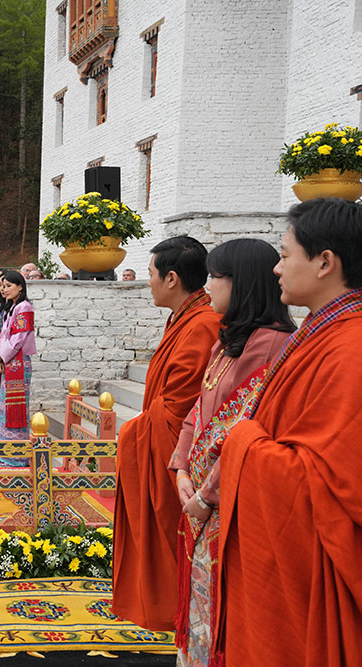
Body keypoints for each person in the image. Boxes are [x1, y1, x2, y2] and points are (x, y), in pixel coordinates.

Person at [213, 199, 362, 666]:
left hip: (311, 572)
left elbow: (324, 481)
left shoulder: (349, 348)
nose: (276, 268)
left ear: (324, 262)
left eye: (284, 255)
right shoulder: (321, 331)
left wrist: (240, 442)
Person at [166, 239, 294, 666]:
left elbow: (246, 428)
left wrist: (207, 495)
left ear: (242, 284)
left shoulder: (273, 345)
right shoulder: (227, 341)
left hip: (228, 503)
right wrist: (182, 468)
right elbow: (197, 412)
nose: (209, 286)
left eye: (216, 277)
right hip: (198, 496)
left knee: (225, 610)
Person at [111, 236, 220, 631]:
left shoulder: (203, 325)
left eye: (153, 275)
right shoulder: (185, 318)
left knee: (172, 537)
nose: (149, 284)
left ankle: (175, 607)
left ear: (172, 278)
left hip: (178, 455)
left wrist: (134, 432)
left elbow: (179, 408)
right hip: (165, 440)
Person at [0, 271, 36, 461]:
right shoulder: (11, 307)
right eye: (2, 286)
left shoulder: (25, 307)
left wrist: (1, 357)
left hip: (18, 361)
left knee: (14, 406)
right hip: (9, 360)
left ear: (20, 287)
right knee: (5, 406)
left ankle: (15, 455)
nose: (4, 289)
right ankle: (4, 450)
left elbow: (19, 338)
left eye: (9, 285)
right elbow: (4, 336)